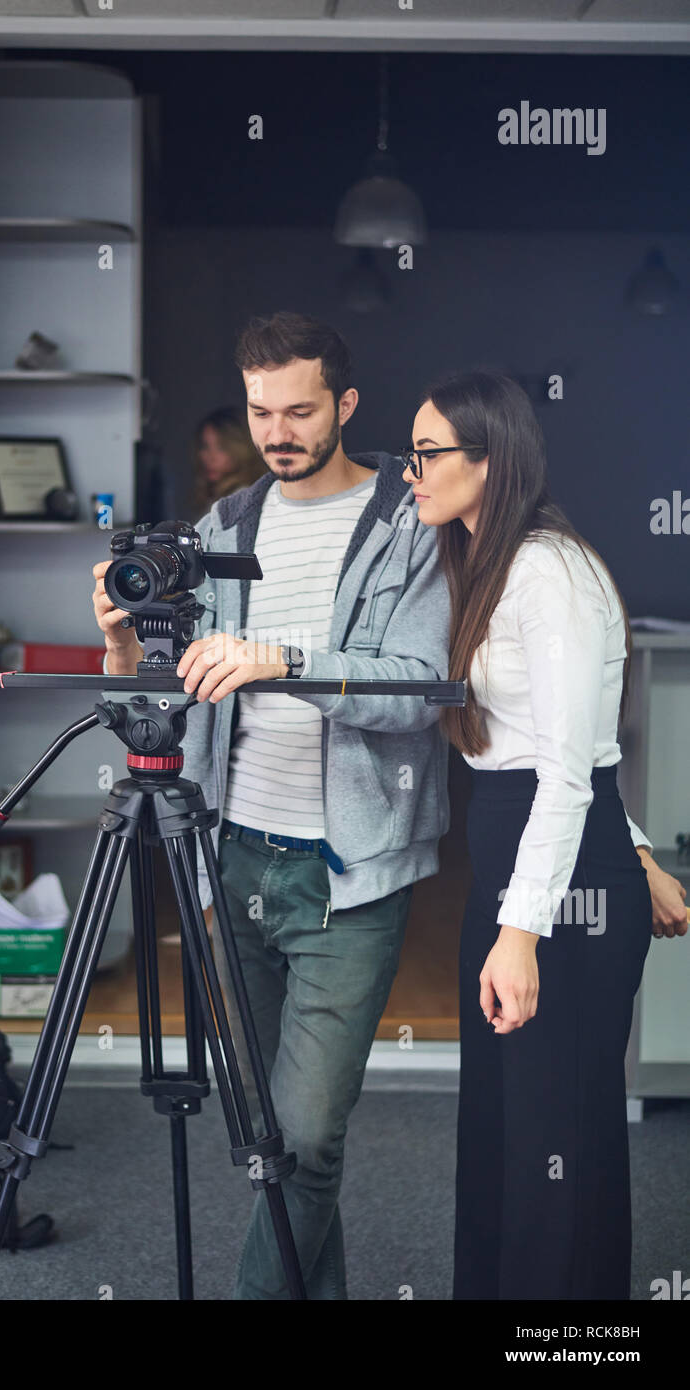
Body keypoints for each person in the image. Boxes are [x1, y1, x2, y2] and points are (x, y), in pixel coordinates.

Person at [93, 310, 452, 1299]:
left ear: (345, 403)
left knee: (304, 1137)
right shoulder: (219, 531)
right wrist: (125, 648)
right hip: (230, 859)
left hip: (350, 870)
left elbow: (418, 685)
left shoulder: (408, 521)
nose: (279, 431)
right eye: (261, 412)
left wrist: (281, 659)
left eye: (300, 409)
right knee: (261, 1137)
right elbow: (148, 726)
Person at [398, 368, 688, 1300]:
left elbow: (568, 767)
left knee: (552, 1133)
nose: (410, 471)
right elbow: (558, 746)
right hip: (529, 857)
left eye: (428, 452)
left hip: (555, 878)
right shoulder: (485, 563)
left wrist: (522, 932)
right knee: (506, 1127)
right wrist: (638, 850)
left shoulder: (547, 571)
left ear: (491, 460)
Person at [187, 406, 267, 520]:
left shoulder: (242, 499)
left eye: (221, 448)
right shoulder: (217, 497)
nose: (210, 457)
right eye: (205, 446)